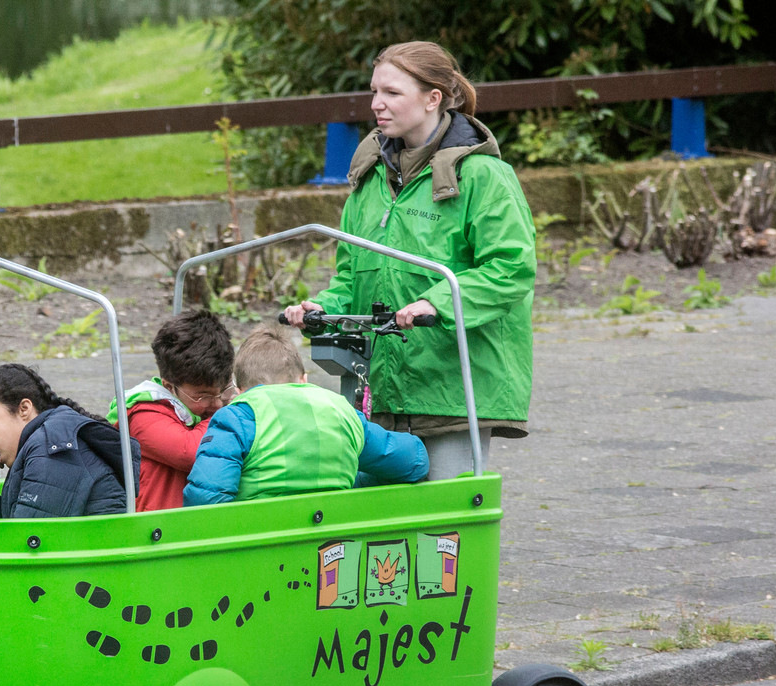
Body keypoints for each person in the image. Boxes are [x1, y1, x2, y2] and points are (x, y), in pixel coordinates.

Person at [283, 40, 535, 480]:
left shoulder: (484, 176)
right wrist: (324, 308)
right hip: (379, 390)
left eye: (392, 93)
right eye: (374, 91)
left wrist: (436, 303)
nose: (376, 104)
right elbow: (352, 275)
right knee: (378, 519)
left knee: (448, 517)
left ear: (433, 98)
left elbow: (510, 269)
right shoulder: (369, 180)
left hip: (454, 390)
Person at [184, 327, 427, 506]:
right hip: (332, 543)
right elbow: (414, 462)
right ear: (304, 380)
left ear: (240, 391)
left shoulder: (237, 417)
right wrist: (355, 478)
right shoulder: (342, 411)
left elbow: (206, 499)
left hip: (260, 541)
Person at [0, 363, 140, 518]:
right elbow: (10, 528)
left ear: (24, 409)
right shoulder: (38, 446)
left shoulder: (51, 448)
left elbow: (25, 539)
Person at [107, 309, 235, 511]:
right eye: (203, 396)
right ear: (169, 387)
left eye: (223, 391)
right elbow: (190, 451)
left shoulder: (201, 409)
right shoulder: (142, 414)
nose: (217, 403)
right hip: (155, 523)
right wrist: (231, 412)